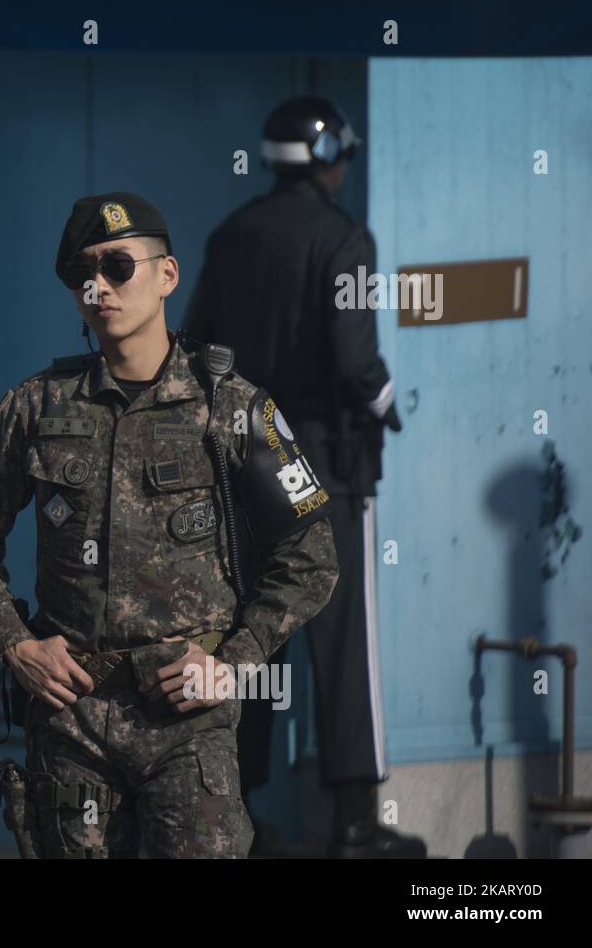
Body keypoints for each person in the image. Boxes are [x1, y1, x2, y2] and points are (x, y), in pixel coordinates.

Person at [0, 191, 338, 858]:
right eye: (80, 274)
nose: (98, 287)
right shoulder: (34, 408)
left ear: (167, 275)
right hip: (70, 725)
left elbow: (312, 557)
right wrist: (17, 646)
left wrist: (233, 663)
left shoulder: (234, 410)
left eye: (118, 266)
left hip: (188, 722)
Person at [184, 96, 424, 858]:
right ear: (330, 158)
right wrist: (388, 403)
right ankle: (356, 821)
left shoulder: (230, 237)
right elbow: (357, 364)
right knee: (344, 643)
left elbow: (197, 347)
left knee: (252, 641)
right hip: (324, 468)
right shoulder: (345, 239)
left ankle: (242, 820)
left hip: (245, 469)